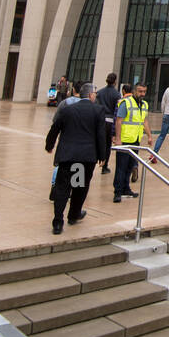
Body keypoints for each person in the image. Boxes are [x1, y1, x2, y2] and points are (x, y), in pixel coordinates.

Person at [46, 83, 107, 235]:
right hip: (84, 157)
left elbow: (55, 128)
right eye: (95, 94)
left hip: (67, 155)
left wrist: (49, 145)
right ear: (91, 95)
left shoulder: (67, 109)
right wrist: (102, 155)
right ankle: (73, 214)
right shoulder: (97, 110)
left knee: (62, 188)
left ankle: (58, 222)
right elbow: (101, 134)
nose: (96, 96)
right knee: (78, 186)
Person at [113, 82, 152, 203]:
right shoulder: (126, 103)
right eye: (140, 91)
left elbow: (144, 121)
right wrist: (117, 138)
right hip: (125, 140)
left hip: (135, 140)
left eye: (144, 91)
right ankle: (117, 192)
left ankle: (126, 188)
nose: (142, 94)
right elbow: (119, 121)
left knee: (130, 165)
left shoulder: (144, 105)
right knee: (121, 166)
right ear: (134, 91)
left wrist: (149, 136)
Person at [95, 73, 121, 175]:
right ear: (115, 81)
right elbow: (117, 111)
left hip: (100, 120)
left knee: (98, 142)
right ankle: (105, 166)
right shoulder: (116, 94)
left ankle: (95, 160)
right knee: (107, 145)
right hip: (110, 122)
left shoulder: (100, 92)